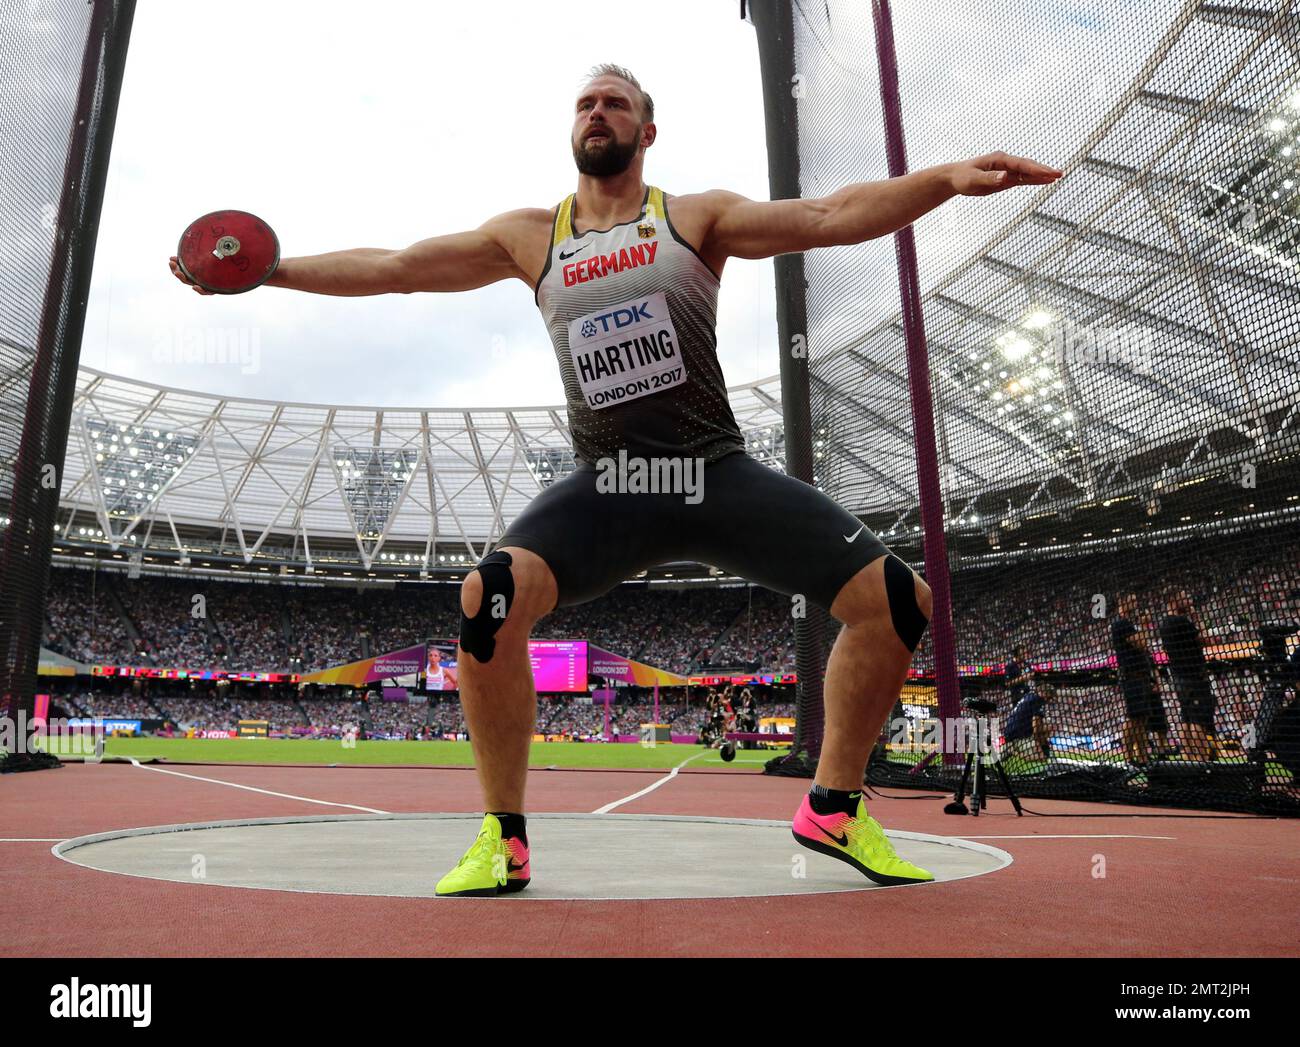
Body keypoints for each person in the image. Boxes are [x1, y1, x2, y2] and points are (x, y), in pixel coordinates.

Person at [172, 64, 1059, 896]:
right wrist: (269, 271)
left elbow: (830, 215)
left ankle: (833, 807)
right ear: (573, 128)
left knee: (899, 600)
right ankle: (503, 839)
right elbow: (400, 269)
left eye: (616, 104)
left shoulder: (696, 219)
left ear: (647, 130)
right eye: (586, 104)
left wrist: (943, 179)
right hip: (614, 487)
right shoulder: (529, 236)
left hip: (713, 471)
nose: (597, 113)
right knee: (486, 597)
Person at [1158, 590, 1218, 761]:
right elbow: (1207, 641)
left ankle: (1188, 757)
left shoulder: (1164, 623)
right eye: (1185, 597)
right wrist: (1196, 617)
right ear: (1175, 600)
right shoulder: (1182, 621)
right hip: (1194, 675)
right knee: (1198, 720)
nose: (1190, 600)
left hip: (1178, 676)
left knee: (1186, 716)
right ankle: (1201, 760)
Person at [1001, 680, 1053, 764]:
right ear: (1044, 693)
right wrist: (1038, 741)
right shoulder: (1038, 700)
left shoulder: (1029, 696)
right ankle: (1014, 752)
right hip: (1020, 737)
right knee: (1043, 758)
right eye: (1049, 697)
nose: (1049, 700)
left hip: (1008, 734)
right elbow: (1036, 726)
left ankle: (1008, 749)